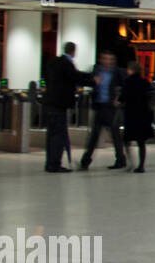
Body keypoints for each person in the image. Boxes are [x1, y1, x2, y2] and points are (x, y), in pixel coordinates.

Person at [43, 42, 92, 173]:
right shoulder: (66, 64)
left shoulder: (52, 62)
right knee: (59, 135)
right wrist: (93, 80)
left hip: (48, 103)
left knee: (51, 135)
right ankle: (55, 164)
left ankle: (49, 163)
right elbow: (76, 77)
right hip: (60, 105)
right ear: (74, 51)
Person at [80, 51, 127, 170]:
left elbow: (126, 86)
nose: (108, 62)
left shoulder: (118, 72)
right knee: (94, 135)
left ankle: (120, 159)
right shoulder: (97, 71)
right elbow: (87, 81)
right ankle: (85, 161)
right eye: (105, 59)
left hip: (111, 108)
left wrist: (120, 99)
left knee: (115, 134)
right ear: (101, 60)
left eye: (110, 59)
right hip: (99, 106)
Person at [119, 61, 154, 173]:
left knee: (126, 140)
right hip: (143, 115)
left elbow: (123, 96)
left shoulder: (128, 82)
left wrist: (118, 101)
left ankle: (130, 163)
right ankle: (141, 165)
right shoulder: (145, 82)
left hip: (131, 114)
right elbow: (150, 96)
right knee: (141, 142)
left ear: (131, 70)